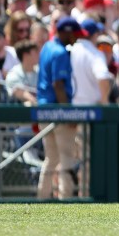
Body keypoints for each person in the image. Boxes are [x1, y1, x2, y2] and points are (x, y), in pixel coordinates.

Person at [37, 17, 83, 199]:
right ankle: (67, 200)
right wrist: (67, 113)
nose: (75, 38)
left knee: (51, 159)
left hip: (43, 109)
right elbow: (58, 85)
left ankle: (42, 197)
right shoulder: (59, 52)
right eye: (73, 34)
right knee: (66, 159)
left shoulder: (47, 47)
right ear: (67, 32)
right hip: (57, 110)